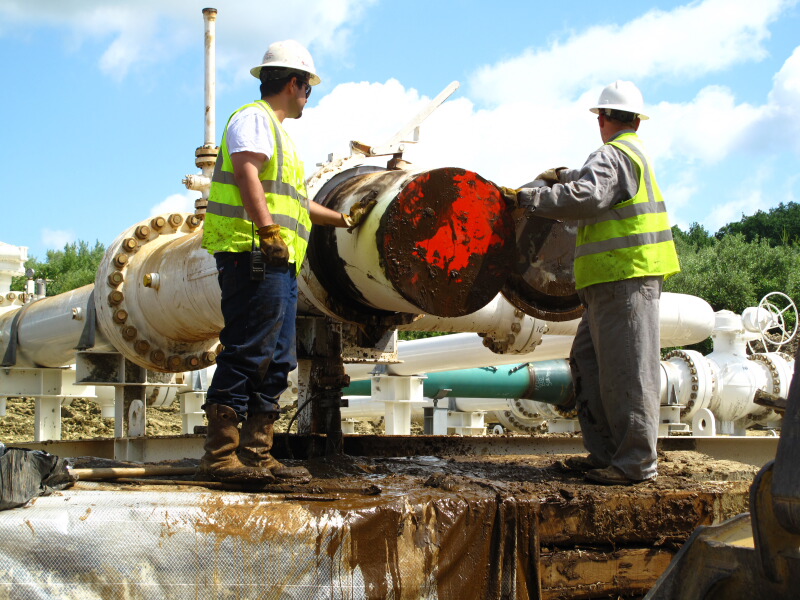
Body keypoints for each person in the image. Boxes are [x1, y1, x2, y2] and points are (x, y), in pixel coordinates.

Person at [199, 40, 374, 483]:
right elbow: (246, 173)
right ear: (293, 83)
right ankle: (221, 455)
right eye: (307, 88)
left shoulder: (281, 139)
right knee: (248, 350)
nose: (307, 97)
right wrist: (267, 231)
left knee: (278, 358)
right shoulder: (254, 120)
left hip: (278, 261)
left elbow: (295, 202)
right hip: (253, 253)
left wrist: (343, 218)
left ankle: (257, 453)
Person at [507, 81, 680, 485]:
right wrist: (567, 174)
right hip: (612, 282)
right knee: (589, 364)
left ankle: (636, 462)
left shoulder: (613, 154)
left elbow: (587, 197)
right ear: (637, 120)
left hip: (624, 277)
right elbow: (595, 185)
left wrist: (529, 199)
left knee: (629, 371)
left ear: (602, 119)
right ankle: (607, 456)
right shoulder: (629, 154)